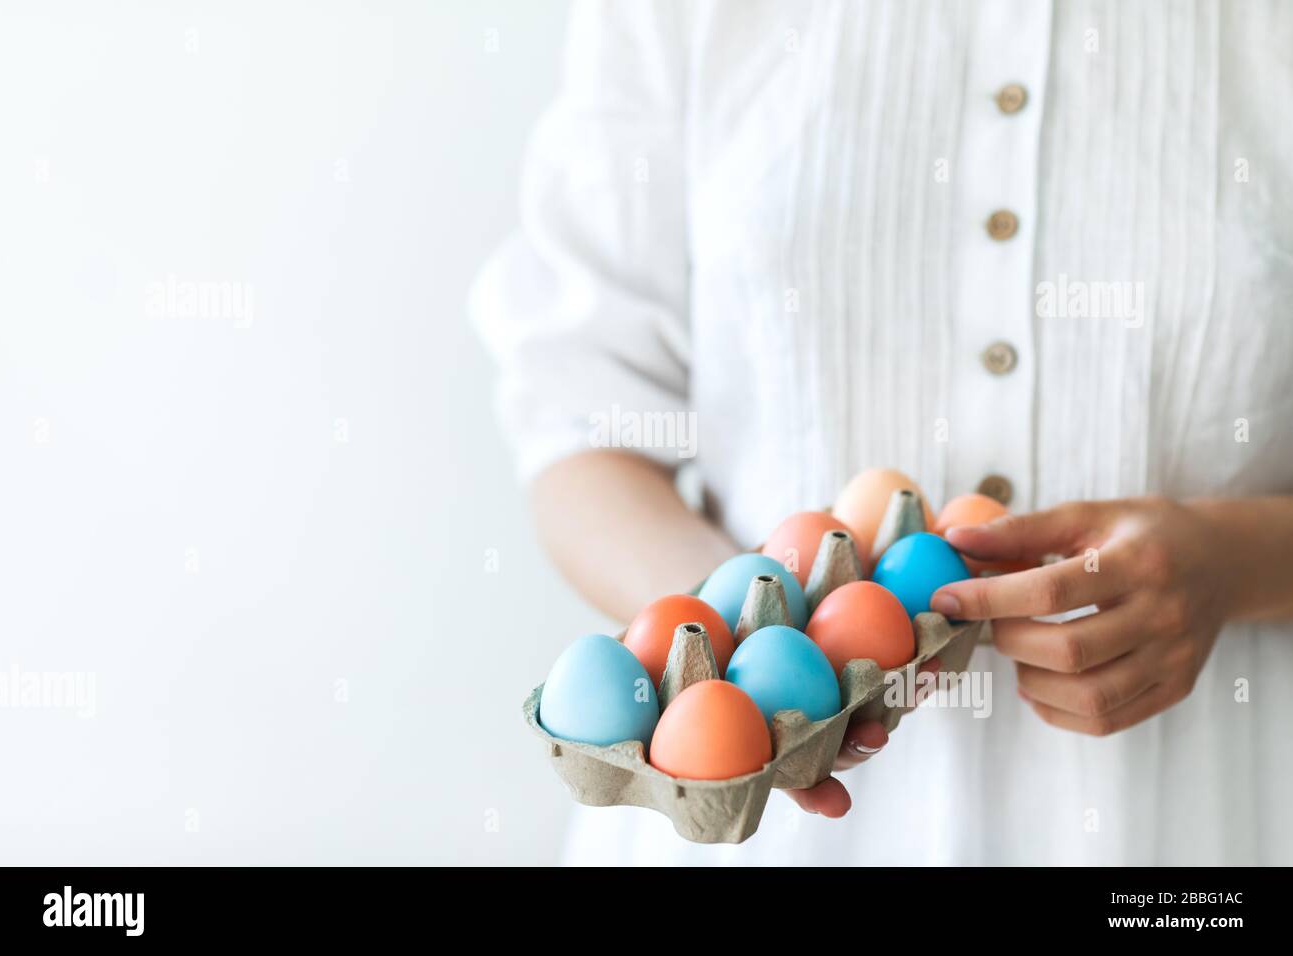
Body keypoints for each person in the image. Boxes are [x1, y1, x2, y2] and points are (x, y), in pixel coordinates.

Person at [471, 0, 1293, 864]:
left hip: (1184, 831)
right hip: (759, 832)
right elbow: (579, 420)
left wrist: (1234, 562)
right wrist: (741, 651)